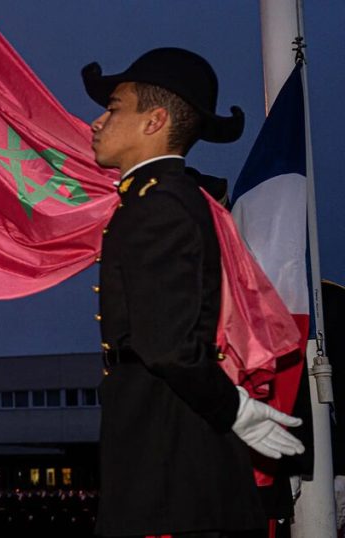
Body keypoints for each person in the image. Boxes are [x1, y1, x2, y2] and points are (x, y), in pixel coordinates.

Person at [81, 48, 306, 537]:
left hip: (171, 464)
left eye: (114, 108)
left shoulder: (158, 204)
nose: (97, 122)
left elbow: (167, 347)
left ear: (154, 121)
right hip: (173, 457)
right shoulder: (160, 198)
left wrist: (236, 410)